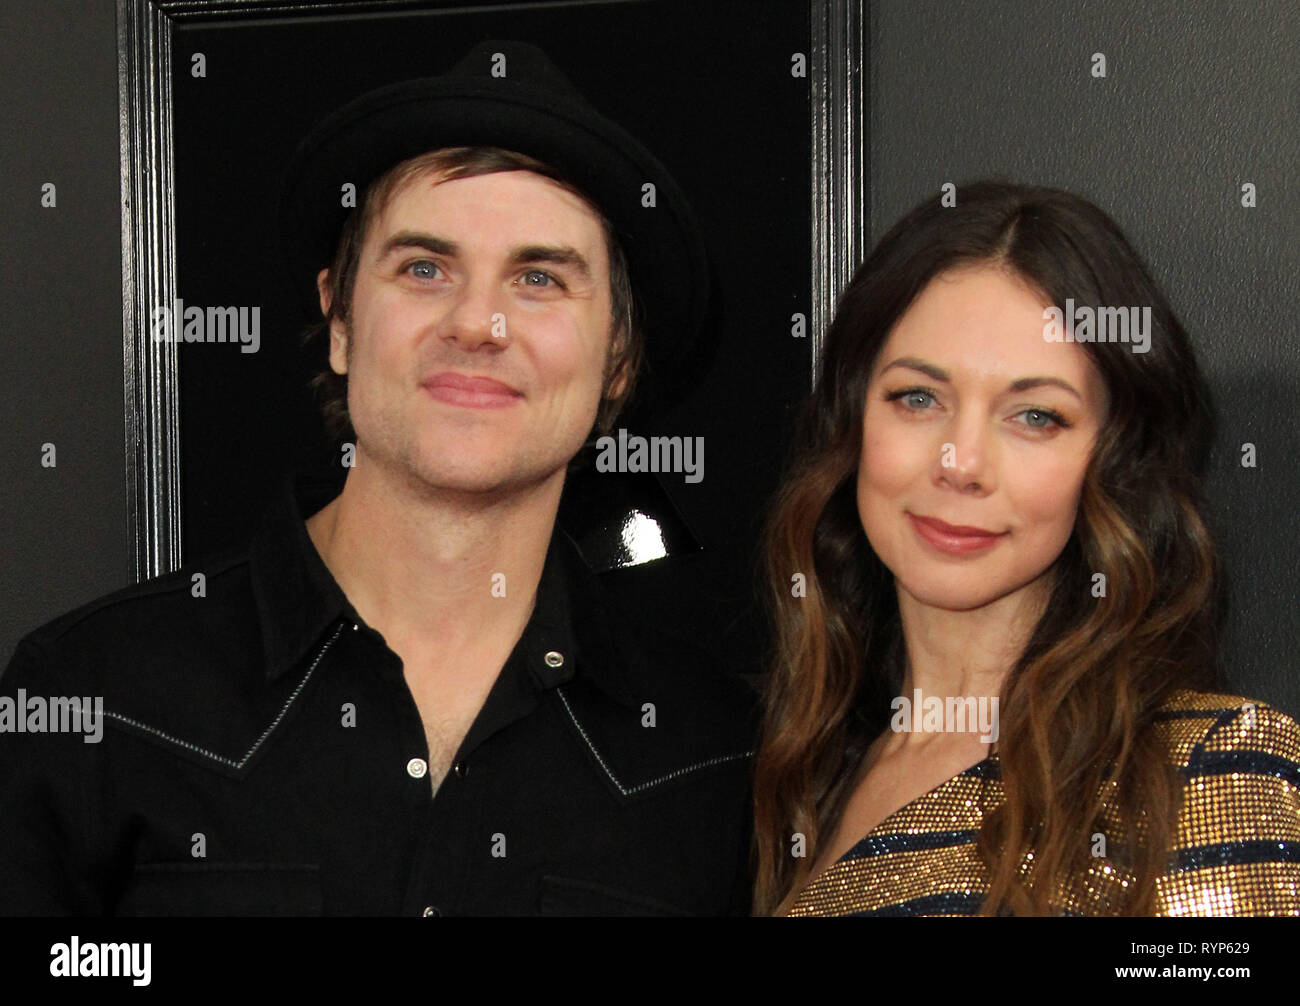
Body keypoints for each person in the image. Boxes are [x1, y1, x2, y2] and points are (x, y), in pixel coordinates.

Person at [0, 40, 757, 916]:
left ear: (617, 359)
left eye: (540, 277)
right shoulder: (93, 699)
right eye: (424, 268)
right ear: (341, 319)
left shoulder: (711, 760)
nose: (478, 322)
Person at [753, 180, 1300, 917]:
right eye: (918, 398)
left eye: (1036, 416)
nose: (961, 462)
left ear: (1113, 460)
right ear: (853, 420)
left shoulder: (1208, 774)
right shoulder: (800, 778)